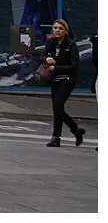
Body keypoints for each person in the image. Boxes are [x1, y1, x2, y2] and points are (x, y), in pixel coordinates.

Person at [43, 18, 85, 147]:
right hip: (54, 79)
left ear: (65, 31)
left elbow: (74, 66)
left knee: (57, 105)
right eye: (55, 28)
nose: (57, 30)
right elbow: (43, 56)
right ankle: (57, 137)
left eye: (60, 28)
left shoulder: (71, 45)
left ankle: (74, 129)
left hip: (67, 79)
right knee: (57, 109)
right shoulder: (50, 42)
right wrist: (47, 59)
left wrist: (56, 67)